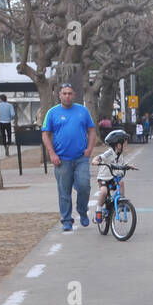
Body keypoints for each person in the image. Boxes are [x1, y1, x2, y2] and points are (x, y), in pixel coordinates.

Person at [41, 83, 96, 232]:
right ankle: (66, 220)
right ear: (59, 95)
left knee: (84, 186)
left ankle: (82, 210)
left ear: (74, 95)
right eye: (64, 93)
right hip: (61, 159)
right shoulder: (52, 112)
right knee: (64, 192)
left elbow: (91, 130)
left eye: (70, 93)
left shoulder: (83, 111)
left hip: (81, 158)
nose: (67, 96)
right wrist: (52, 154)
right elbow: (45, 134)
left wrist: (89, 149)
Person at [91, 128, 128, 223]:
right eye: (125, 143)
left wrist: (128, 166)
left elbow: (123, 165)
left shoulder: (120, 155)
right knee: (103, 191)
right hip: (104, 178)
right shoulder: (109, 152)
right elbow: (100, 157)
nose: (126, 144)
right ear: (118, 145)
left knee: (121, 182)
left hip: (113, 177)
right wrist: (95, 160)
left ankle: (122, 202)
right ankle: (98, 211)